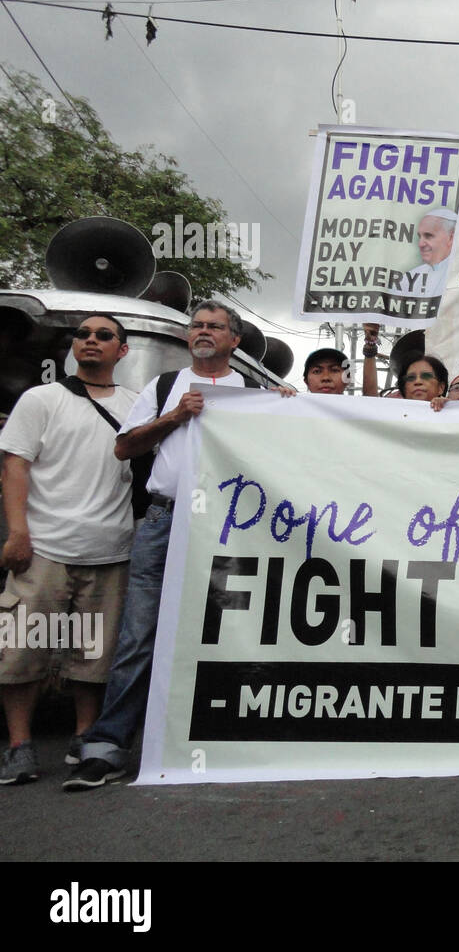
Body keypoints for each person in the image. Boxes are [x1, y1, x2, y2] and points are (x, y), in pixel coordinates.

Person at [64, 301, 294, 791]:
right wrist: (174, 417)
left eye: (215, 327)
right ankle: (108, 745)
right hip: (166, 520)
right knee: (140, 631)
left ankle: (233, 733)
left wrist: (290, 406)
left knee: (231, 628)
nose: (203, 332)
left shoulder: (254, 393)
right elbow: (125, 447)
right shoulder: (165, 387)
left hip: (231, 526)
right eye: (197, 326)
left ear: (234, 340)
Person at [0, 314, 138, 785]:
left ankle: (85, 736)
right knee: (22, 652)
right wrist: (18, 532)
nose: (91, 341)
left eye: (104, 335)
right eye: (83, 334)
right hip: (45, 548)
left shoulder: (137, 406)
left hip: (110, 550)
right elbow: (15, 466)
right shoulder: (41, 399)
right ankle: (19, 745)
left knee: (93, 658)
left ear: (123, 350)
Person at [406, 209, 457, 298]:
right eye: (420, 236)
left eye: (428, 236)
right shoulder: (409, 278)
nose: (420, 244)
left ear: (451, 238)